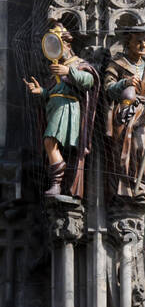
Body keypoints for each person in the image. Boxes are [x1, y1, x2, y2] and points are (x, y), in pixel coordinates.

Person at [24, 23, 99, 198]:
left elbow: (89, 80)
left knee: (49, 142)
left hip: (67, 109)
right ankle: (59, 184)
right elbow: (53, 92)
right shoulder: (56, 70)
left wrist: (69, 71)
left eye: (58, 45)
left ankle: (56, 184)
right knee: (52, 145)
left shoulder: (77, 64)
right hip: (55, 108)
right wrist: (41, 91)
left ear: (67, 45)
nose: (55, 50)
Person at [103, 18, 145, 201]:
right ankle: (126, 186)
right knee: (125, 148)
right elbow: (108, 88)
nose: (143, 44)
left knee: (140, 146)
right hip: (125, 112)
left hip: (143, 114)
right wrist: (125, 83)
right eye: (138, 41)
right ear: (127, 43)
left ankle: (143, 184)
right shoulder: (117, 64)